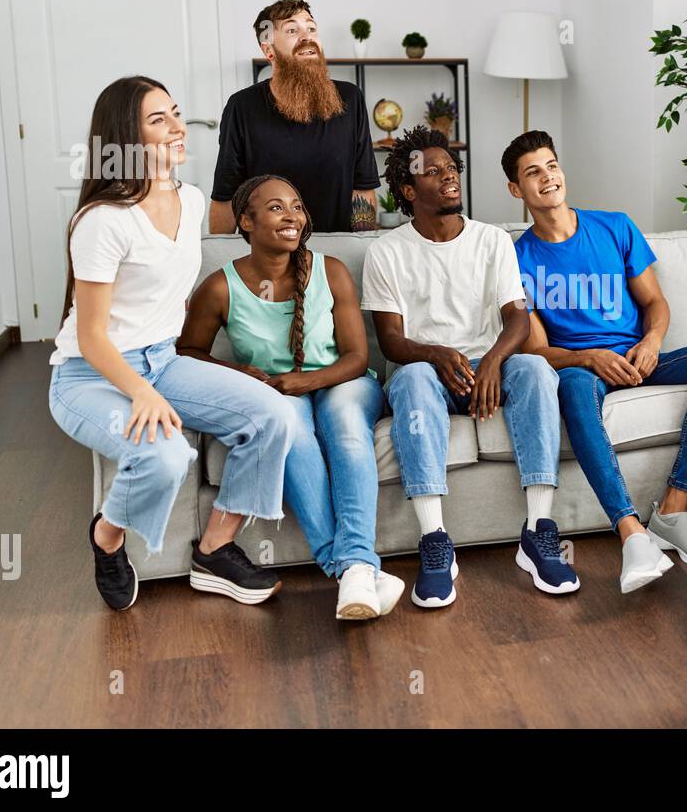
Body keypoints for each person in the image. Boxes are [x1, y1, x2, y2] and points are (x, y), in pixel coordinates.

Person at [49, 76, 297, 612]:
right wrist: (141, 391)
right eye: (158, 120)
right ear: (124, 138)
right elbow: (91, 337)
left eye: (177, 114)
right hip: (90, 375)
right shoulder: (101, 221)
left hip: (163, 360)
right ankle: (107, 538)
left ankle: (216, 548)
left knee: (274, 415)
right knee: (164, 457)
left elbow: (167, 294)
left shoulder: (189, 199)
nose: (179, 128)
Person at [503, 130, 687, 594]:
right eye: (533, 172)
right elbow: (534, 350)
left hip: (640, 358)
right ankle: (631, 533)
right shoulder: (517, 258)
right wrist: (589, 357)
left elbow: (655, 302)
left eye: (551, 165)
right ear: (517, 190)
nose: (547, 177)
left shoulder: (615, 227)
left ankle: (673, 510)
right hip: (584, 368)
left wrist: (652, 342)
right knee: (572, 386)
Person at [360, 125, 576, 608]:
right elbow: (392, 341)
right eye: (433, 171)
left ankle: (538, 529)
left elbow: (517, 318)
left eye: (452, 168)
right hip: (425, 369)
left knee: (538, 371)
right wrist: (436, 354)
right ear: (409, 190)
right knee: (413, 378)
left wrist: (495, 362)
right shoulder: (386, 251)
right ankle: (435, 540)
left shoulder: (492, 240)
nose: (449, 177)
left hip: (487, 362)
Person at [179, 174, 405, 620]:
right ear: (246, 220)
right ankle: (353, 573)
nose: (292, 217)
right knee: (291, 433)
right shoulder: (220, 287)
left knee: (343, 426)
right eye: (277, 207)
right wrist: (240, 373)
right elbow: (187, 352)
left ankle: (353, 561)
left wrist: (305, 381)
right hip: (277, 393)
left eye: (297, 206)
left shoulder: (332, 270)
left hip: (343, 382)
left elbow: (358, 357)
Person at [209, 0, 380, 234]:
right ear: (268, 50)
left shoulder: (350, 99)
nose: (306, 36)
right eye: (292, 30)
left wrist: (362, 248)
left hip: (336, 251)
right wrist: (222, 260)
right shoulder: (242, 107)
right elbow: (226, 197)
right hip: (267, 256)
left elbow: (362, 188)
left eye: (311, 28)